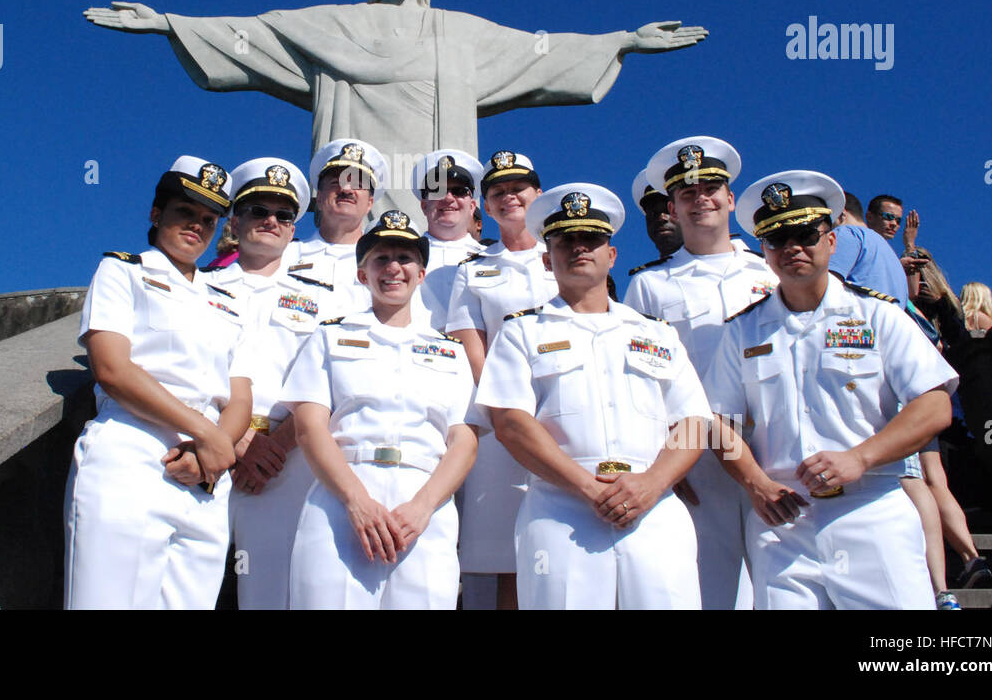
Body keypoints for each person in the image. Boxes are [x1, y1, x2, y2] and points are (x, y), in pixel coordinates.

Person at [83, 0, 707, 218]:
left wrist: (621, 40)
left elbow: (538, 52)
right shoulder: (333, 25)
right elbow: (259, 35)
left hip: (438, 202)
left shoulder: (460, 33)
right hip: (352, 198)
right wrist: (171, 22)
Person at [707, 170, 956, 609]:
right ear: (764, 251)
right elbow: (717, 422)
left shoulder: (877, 316)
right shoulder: (741, 331)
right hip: (779, 522)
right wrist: (754, 483)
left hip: (871, 509)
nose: (792, 248)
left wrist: (860, 457)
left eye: (804, 234)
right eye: (776, 240)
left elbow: (935, 406)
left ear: (832, 240)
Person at [472, 183, 710, 609]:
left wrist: (653, 483)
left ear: (612, 254)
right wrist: (586, 488)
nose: (579, 248)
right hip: (561, 507)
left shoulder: (657, 333)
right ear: (547, 259)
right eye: (566, 241)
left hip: (653, 505)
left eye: (591, 239)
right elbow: (510, 424)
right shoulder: (521, 331)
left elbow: (693, 422)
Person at [64, 156, 253, 609]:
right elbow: (112, 370)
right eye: (185, 212)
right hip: (133, 451)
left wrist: (211, 456)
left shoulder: (228, 302)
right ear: (156, 214)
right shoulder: (123, 270)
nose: (197, 226)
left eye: (208, 219)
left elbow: (240, 396)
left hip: (206, 480)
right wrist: (209, 438)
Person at [281, 210, 478, 609]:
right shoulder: (329, 337)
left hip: (424, 502)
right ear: (362, 274)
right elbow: (310, 427)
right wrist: (357, 502)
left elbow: (464, 439)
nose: (393, 268)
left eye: (405, 258)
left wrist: (422, 508)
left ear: (421, 274)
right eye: (381, 258)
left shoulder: (452, 352)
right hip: (343, 496)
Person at [622, 137, 776, 610]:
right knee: (709, 586)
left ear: (731, 198)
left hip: (772, 442)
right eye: (687, 193)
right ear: (672, 205)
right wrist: (660, 460)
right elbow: (633, 377)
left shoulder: (770, 272)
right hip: (696, 452)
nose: (700, 199)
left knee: (782, 578)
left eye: (711, 189)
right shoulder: (649, 285)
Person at [210, 157, 332, 609]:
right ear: (235, 219)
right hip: (206, 444)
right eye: (258, 210)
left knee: (272, 595)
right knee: (184, 587)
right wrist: (235, 440)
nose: (271, 222)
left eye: (283, 215)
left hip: (284, 461)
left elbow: (327, 384)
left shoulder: (323, 301)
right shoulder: (200, 288)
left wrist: (271, 448)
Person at [444, 150, 557, 609]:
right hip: (500, 422)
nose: (509, 197)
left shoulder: (567, 253)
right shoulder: (472, 269)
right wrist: (511, 411)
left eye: (518, 189)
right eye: (497, 193)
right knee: (506, 552)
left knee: (564, 543)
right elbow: (473, 346)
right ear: (485, 208)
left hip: (564, 413)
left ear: (539, 195)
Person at [282, 137, 389, 316]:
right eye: (336, 182)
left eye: (357, 184)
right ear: (321, 197)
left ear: (370, 202)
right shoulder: (284, 256)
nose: (346, 189)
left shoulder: (387, 267)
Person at [412, 149, 485, 331]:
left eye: (459, 191)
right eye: (437, 190)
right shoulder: (404, 258)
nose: (448, 198)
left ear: (472, 206)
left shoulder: (491, 259)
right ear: (424, 205)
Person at [830, 191, 909, 303]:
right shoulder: (893, 257)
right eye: (889, 217)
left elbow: (827, 285)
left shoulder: (847, 233)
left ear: (840, 214)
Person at [627, 168, 683, 271]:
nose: (661, 218)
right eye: (653, 213)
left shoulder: (717, 268)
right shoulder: (645, 279)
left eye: (668, 210)